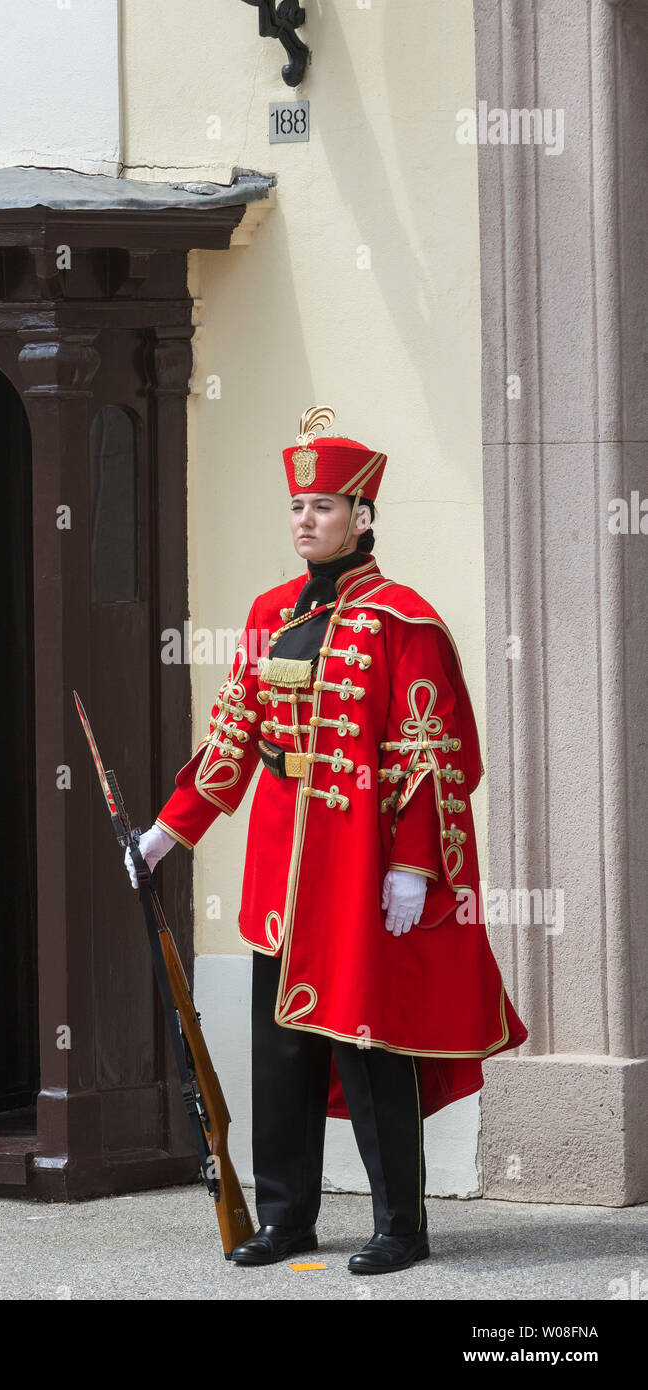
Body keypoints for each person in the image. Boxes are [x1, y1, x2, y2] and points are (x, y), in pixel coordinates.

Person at [125, 406, 528, 1273]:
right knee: (283, 1048)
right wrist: (168, 831)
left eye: (323, 506)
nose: (305, 519)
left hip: (359, 865)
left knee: (370, 1042)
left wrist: (415, 864)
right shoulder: (271, 612)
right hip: (281, 863)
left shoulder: (401, 621)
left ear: (362, 516)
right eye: (297, 507)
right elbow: (232, 736)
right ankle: (286, 1217)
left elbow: (434, 751)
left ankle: (399, 1224)